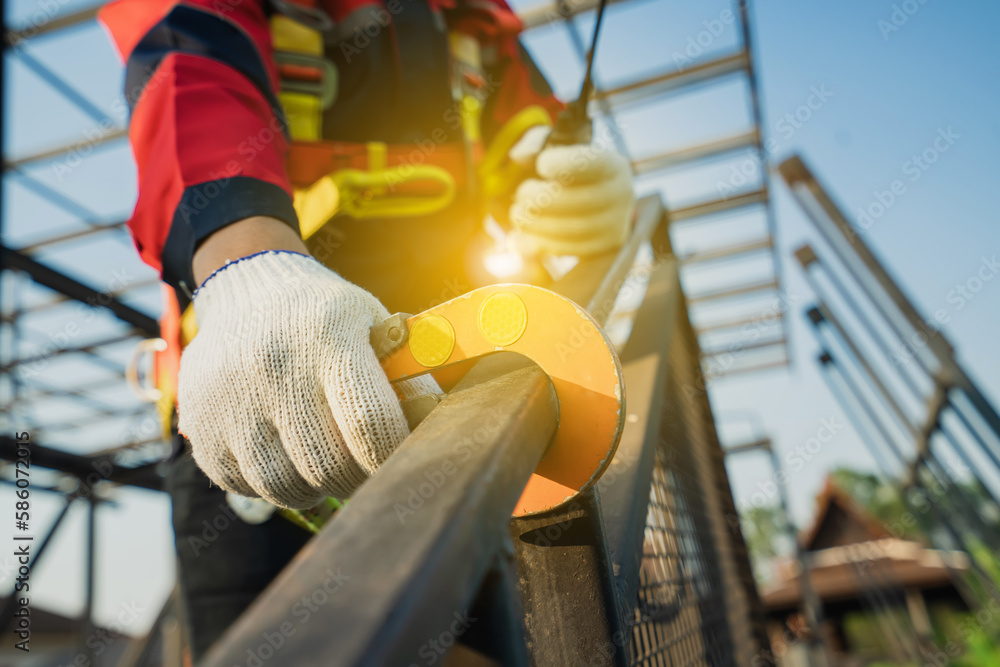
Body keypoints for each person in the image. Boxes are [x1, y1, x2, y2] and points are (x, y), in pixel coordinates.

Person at [99, 0, 634, 658]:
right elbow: (191, 73)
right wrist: (248, 264)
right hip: (257, 393)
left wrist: (567, 188)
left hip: (441, 406)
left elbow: (522, 131)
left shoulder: (474, 19)